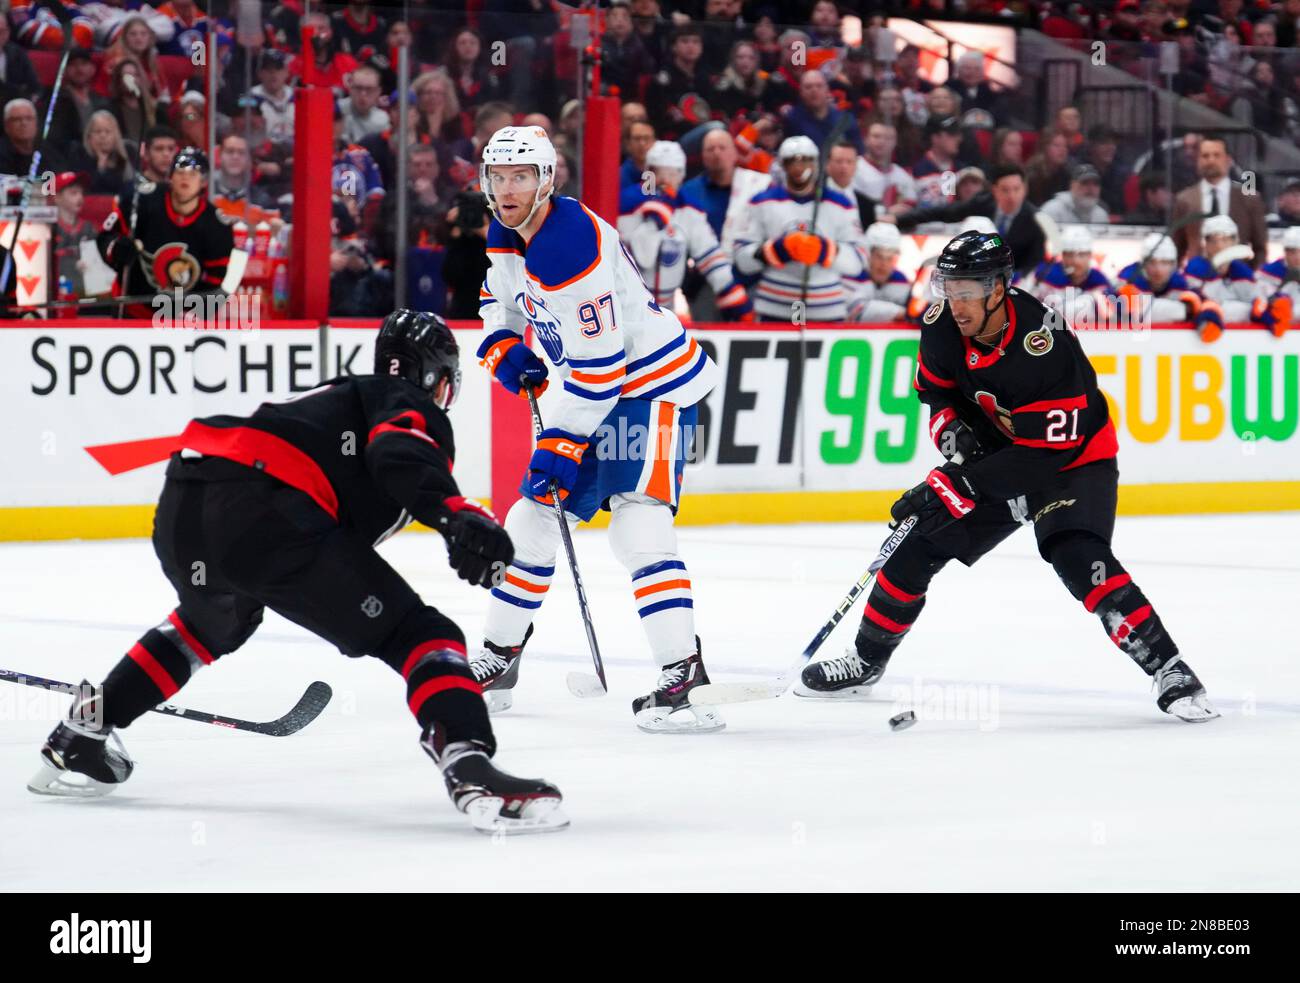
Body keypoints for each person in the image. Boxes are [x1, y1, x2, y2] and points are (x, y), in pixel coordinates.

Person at [27, 310, 568, 834]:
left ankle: (84, 731)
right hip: (267, 505)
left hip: (186, 500)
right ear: (436, 377)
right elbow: (399, 449)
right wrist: (458, 514)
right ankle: (470, 766)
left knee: (212, 622)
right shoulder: (406, 401)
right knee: (423, 635)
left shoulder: (342, 396)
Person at [797, 231, 1219, 724]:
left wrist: (964, 484)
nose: (956, 304)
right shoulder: (939, 327)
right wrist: (955, 437)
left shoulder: (1045, 345)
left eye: (968, 291)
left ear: (998, 289)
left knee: (1076, 555)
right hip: (1001, 454)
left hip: (1072, 462)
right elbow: (936, 396)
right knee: (914, 544)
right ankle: (867, 661)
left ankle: (1170, 666)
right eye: (949, 289)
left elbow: (1046, 453)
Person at [470, 125, 725, 734]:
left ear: (545, 180)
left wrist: (562, 443)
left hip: (650, 388)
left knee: (638, 526)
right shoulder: (506, 231)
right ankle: (500, 658)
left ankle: (682, 672)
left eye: (520, 177)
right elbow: (496, 300)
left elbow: (603, 365)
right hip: (593, 387)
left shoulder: (568, 244)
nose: (507, 189)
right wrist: (502, 344)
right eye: (499, 177)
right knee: (531, 519)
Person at [732, 134, 866, 322]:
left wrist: (825, 250)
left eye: (806, 160)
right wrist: (775, 250)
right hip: (775, 306)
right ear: (782, 165)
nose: (799, 167)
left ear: (816, 164)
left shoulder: (841, 204)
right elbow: (742, 261)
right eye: (792, 161)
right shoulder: (761, 201)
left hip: (827, 308)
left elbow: (858, 262)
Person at [617, 140, 751, 319]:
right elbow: (642, 257)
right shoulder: (627, 203)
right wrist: (653, 225)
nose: (666, 178)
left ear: (681, 175)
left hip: (667, 310)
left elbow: (709, 254)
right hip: (627, 308)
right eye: (659, 171)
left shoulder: (689, 207)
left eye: (673, 172)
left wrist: (730, 292)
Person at [97, 146, 236, 303]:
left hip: (180, 317)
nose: (185, 178)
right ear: (170, 177)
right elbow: (105, 236)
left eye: (193, 173)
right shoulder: (142, 200)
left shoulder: (216, 226)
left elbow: (217, 280)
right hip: (131, 306)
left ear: (203, 182)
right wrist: (116, 248)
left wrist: (197, 312)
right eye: (180, 172)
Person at [892, 164, 1047, 278]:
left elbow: (1034, 265)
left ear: (1025, 189)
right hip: (972, 275)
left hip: (1014, 281)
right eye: (1006, 190)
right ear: (995, 190)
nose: (1012, 196)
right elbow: (944, 212)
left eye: (1017, 189)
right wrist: (898, 219)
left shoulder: (1036, 220)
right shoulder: (982, 203)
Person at [1172, 136, 1268, 267]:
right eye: (1205, 156)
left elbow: (1260, 247)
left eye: (1217, 155)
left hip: (1238, 275)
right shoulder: (1184, 199)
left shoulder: (1249, 199)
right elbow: (1177, 248)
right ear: (1198, 161)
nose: (1211, 160)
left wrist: (1253, 277)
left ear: (1228, 160)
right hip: (1197, 276)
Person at [1115, 233, 1225, 341]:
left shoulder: (1181, 283)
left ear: (1173, 264)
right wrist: (1186, 310)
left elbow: (1205, 302)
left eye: (1165, 263)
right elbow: (1139, 313)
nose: (1158, 269)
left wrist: (1209, 317)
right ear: (1143, 264)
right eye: (1152, 262)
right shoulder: (1128, 281)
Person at [1021, 224, 1113, 325]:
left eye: (1081, 255)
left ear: (1090, 255)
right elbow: (1023, 303)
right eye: (1069, 255)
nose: (1075, 261)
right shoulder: (1045, 274)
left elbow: (1110, 315)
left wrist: (1097, 299)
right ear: (1063, 255)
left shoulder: (1099, 280)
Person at [846, 222, 912, 322]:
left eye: (889, 258)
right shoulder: (853, 275)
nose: (884, 264)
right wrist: (900, 313)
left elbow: (914, 309)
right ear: (867, 255)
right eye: (879, 256)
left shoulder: (900, 279)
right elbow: (856, 310)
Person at [1039, 164, 1112, 225]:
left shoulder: (1101, 215)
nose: (1091, 188)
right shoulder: (1052, 210)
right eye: (1084, 183)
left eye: (1095, 184)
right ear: (1072, 186)